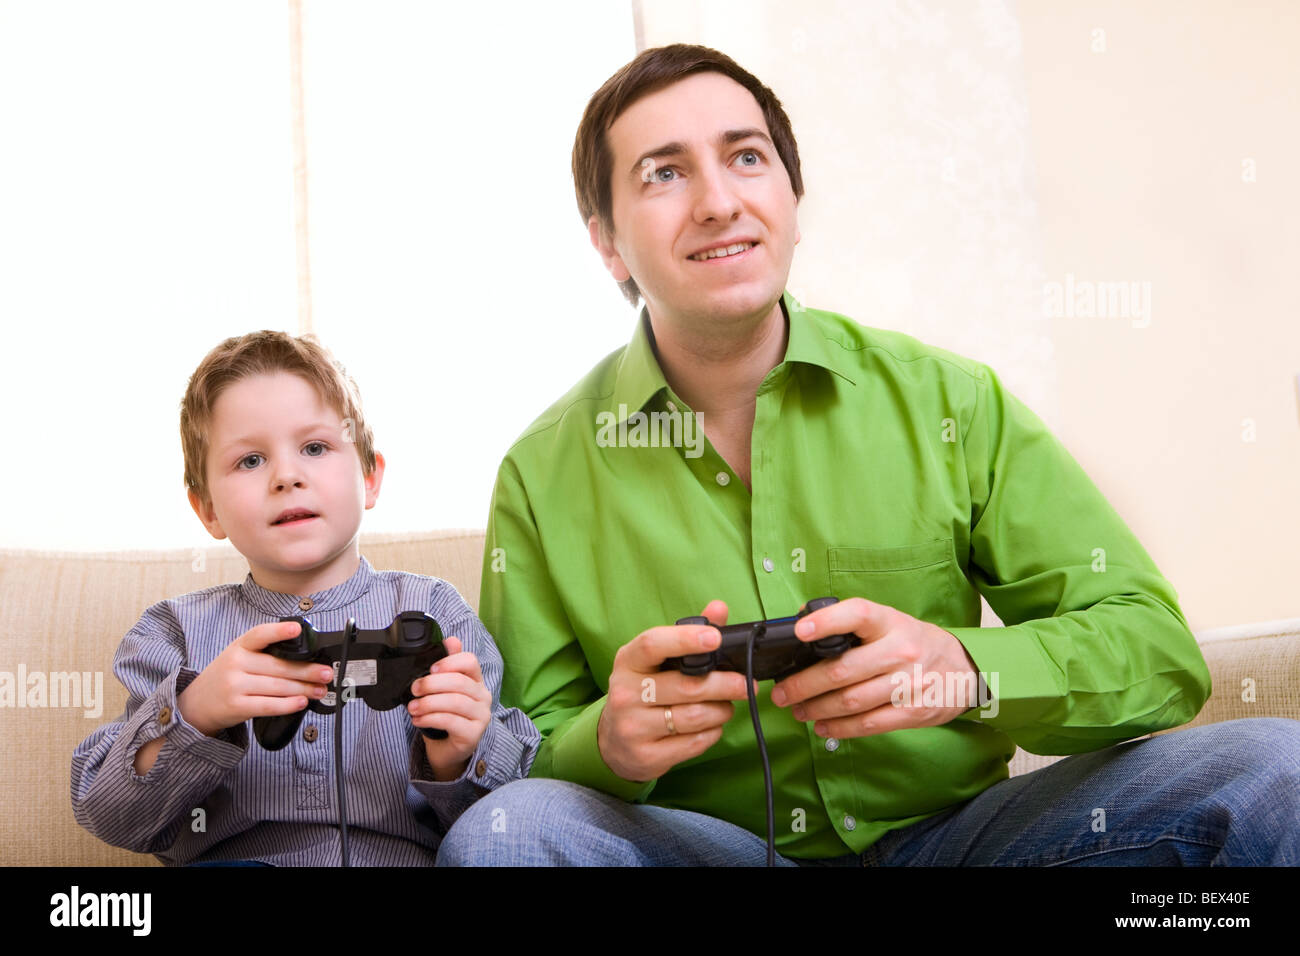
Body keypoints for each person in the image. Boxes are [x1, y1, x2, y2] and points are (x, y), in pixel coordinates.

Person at [437, 44, 1299, 866]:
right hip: (706, 850)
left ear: (792, 199)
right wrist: (610, 742)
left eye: (746, 157)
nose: (717, 201)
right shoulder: (541, 473)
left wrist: (963, 667)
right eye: (663, 173)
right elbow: (515, 750)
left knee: (1276, 773)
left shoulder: (947, 400)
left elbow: (1157, 651)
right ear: (606, 242)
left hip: (965, 841)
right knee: (509, 834)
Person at [71, 331, 539, 865]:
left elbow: (508, 831)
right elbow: (113, 816)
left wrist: (458, 757)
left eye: (315, 448)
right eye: (250, 461)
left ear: (369, 477)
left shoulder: (437, 612)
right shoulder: (172, 634)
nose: (287, 476)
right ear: (208, 510)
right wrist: (196, 711)